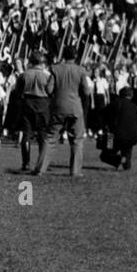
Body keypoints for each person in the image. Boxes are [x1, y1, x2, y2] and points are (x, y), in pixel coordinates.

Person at [42, 45, 92, 176]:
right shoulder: (81, 71)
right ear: (76, 56)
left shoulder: (55, 69)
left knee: (50, 138)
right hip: (75, 107)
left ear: (63, 55)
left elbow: (49, 89)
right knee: (77, 139)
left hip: (58, 107)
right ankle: (75, 171)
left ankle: (40, 168)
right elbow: (86, 92)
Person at [17, 51, 54, 173]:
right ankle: (42, 163)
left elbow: (18, 91)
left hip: (27, 103)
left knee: (26, 134)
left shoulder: (24, 75)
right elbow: (51, 91)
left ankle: (26, 162)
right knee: (43, 135)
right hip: (43, 104)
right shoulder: (47, 75)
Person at [100, 86, 137, 170]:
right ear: (131, 96)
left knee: (105, 155)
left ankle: (119, 159)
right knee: (127, 149)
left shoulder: (116, 102)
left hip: (115, 135)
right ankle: (126, 163)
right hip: (133, 137)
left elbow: (103, 113)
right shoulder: (135, 107)